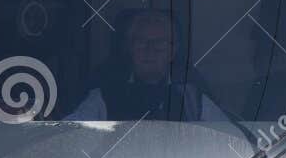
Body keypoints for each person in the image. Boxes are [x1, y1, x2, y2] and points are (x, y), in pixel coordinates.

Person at [71, 8, 234, 125]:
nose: (150, 50)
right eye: (142, 42)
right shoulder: (104, 94)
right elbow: (71, 132)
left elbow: (228, 139)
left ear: (172, 51)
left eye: (159, 44)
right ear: (130, 48)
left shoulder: (193, 97)